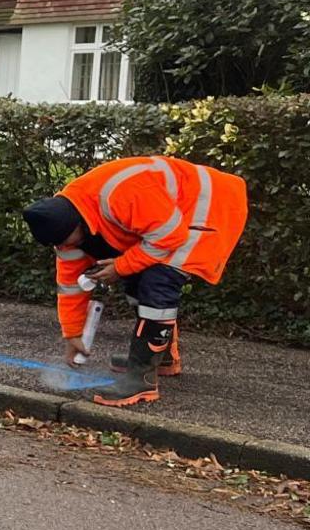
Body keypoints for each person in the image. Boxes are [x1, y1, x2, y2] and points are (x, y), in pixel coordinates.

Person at [22, 155, 246, 407]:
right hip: (170, 217)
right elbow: (71, 284)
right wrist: (72, 334)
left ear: (78, 224)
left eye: (65, 240)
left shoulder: (120, 195)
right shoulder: (65, 225)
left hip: (210, 207)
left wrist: (120, 266)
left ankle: (141, 380)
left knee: (158, 280)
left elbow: (170, 236)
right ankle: (162, 359)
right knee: (136, 279)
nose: (63, 247)